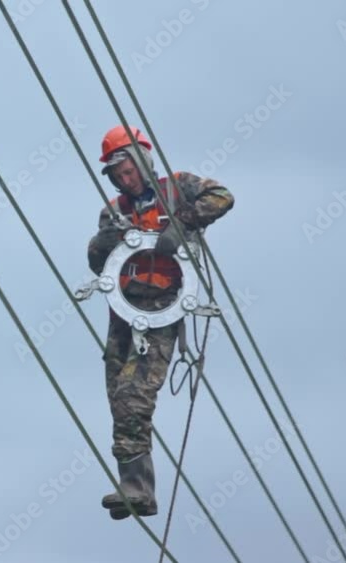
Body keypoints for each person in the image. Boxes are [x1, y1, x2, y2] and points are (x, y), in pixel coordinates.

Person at [86, 125, 235, 520]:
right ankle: (136, 489)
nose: (123, 178)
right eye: (116, 174)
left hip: (162, 311)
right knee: (119, 398)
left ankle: (137, 489)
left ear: (143, 159)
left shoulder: (178, 187)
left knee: (134, 398)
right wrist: (110, 241)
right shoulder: (114, 211)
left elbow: (222, 196)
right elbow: (97, 258)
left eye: (127, 169)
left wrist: (181, 223)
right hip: (124, 316)